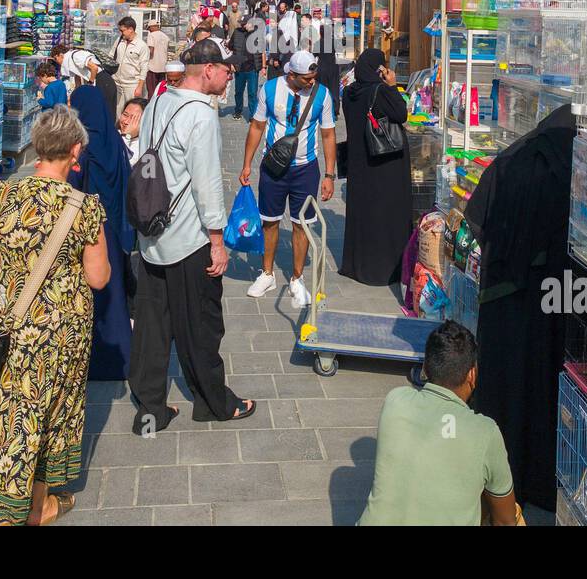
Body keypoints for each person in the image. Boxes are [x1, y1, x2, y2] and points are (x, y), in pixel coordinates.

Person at [0, 105, 110, 526]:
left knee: (15, 413)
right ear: (74, 152)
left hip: (12, 325)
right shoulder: (85, 207)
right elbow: (99, 277)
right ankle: (39, 506)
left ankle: (9, 511)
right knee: (53, 411)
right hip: (62, 331)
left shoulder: (1, 195)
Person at [129, 39, 255, 432]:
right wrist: (217, 241)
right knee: (201, 323)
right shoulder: (200, 115)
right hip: (188, 238)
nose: (230, 76)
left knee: (152, 325)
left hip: (152, 234)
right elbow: (207, 185)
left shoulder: (159, 101)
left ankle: (150, 408)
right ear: (208, 70)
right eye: (226, 69)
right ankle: (213, 402)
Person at [466, 104, 577, 513]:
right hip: (551, 305)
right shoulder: (568, 168)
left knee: (505, 390)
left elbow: (478, 217)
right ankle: (541, 480)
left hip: (503, 303)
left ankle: (497, 480)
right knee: (542, 389)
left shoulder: (511, 159)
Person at [359, 321, 520, 526]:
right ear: (472, 374)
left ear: (425, 368)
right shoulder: (486, 431)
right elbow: (505, 521)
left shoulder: (395, 401)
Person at [239, 50, 336, 308]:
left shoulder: (322, 95)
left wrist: (329, 174)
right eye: (306, 78)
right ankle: (267, 273)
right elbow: (257, 126)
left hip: (306, 168)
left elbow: (328, 134)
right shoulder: (270, 90)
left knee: (301, 224)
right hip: (274, 166)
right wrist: (247, 164)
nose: (311, 82)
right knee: (269, 221)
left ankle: (297, 277)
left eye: (314, 77)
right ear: (291, 74)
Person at [67, 86, 134, 381]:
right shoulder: (115, 141)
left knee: (91, 294)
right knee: (114, 288)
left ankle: (95, 361)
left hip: (91, 229)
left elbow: (72, 188)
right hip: (115, 226)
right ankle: (122, 355)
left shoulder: (83, 146)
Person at [338, 50, 411, 285]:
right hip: (385, 164)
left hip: (359, 163)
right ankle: (386, 269)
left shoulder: (349, 92)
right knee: (386, 216)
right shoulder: (380, 91)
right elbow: (401, 113)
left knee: (364, 216)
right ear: (379, 69)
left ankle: (359, 266)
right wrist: (392, 85)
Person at [111, 16, 150, 110]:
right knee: (118, 112)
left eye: (122, 30)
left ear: (131, 29)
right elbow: (111, 55)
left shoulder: (141, 46)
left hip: (132, 85)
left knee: (132, 112)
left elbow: (144, 68)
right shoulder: (120, 41)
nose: (121, 33)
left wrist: (139, 87)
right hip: (117, 84)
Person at [228, 14, 262, 120]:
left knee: (252, 93)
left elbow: (262, 50)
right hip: (240, 68)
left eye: (244, 24)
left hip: (252, 68)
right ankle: (238, 111)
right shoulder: (237, 32)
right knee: (238, 92)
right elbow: (230, 46)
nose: (242, 26)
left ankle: (252, 115)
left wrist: (263, 67)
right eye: (241, 24)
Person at [314, 8, 342, 123]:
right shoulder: (333, 42)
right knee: (334, 90)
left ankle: (322, 111)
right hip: (334, 68)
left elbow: (314, 55)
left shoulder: (318, 43)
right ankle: (334, 112)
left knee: (322, 91)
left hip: (322, 69)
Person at [145, 19, 170, 99]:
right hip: (163, 67)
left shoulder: (151, 35)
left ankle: (151, 106)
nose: (149, 30)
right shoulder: (165, 36)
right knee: (160, 90)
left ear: (152, 27)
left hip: (153, 67)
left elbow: (151, 51)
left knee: (151, 90)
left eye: (149, 28)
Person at [118, 96, 146, 164]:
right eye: (125, 115)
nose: (126, 122)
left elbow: (119, 164)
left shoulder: (143, 147)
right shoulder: (112, 134)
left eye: (133, 119)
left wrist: (126, 136)